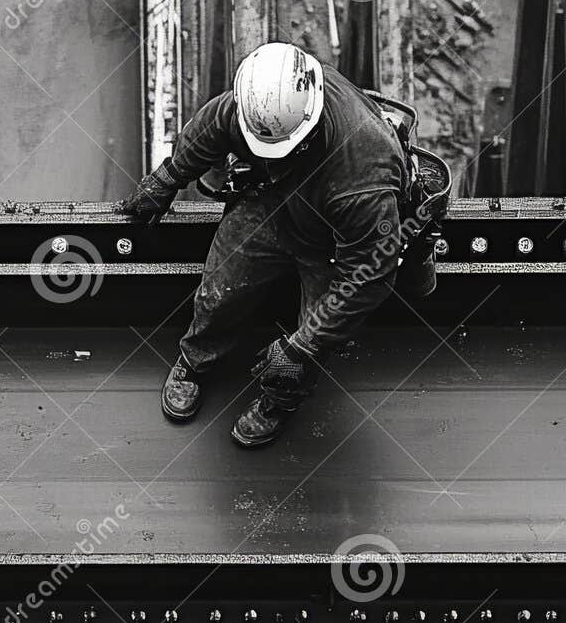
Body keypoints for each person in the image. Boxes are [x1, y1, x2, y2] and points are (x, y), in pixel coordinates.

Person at [118, 41, 410, 447]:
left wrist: (301, 346)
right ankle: (196, 360)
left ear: (308, 129)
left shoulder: (363, 176)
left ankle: (281, 396)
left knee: (314, 341)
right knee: (219, 291)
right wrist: (170, 175)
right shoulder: (263, 103)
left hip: (332, 241)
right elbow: (214, 125)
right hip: (275, 200)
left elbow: (369, 275)